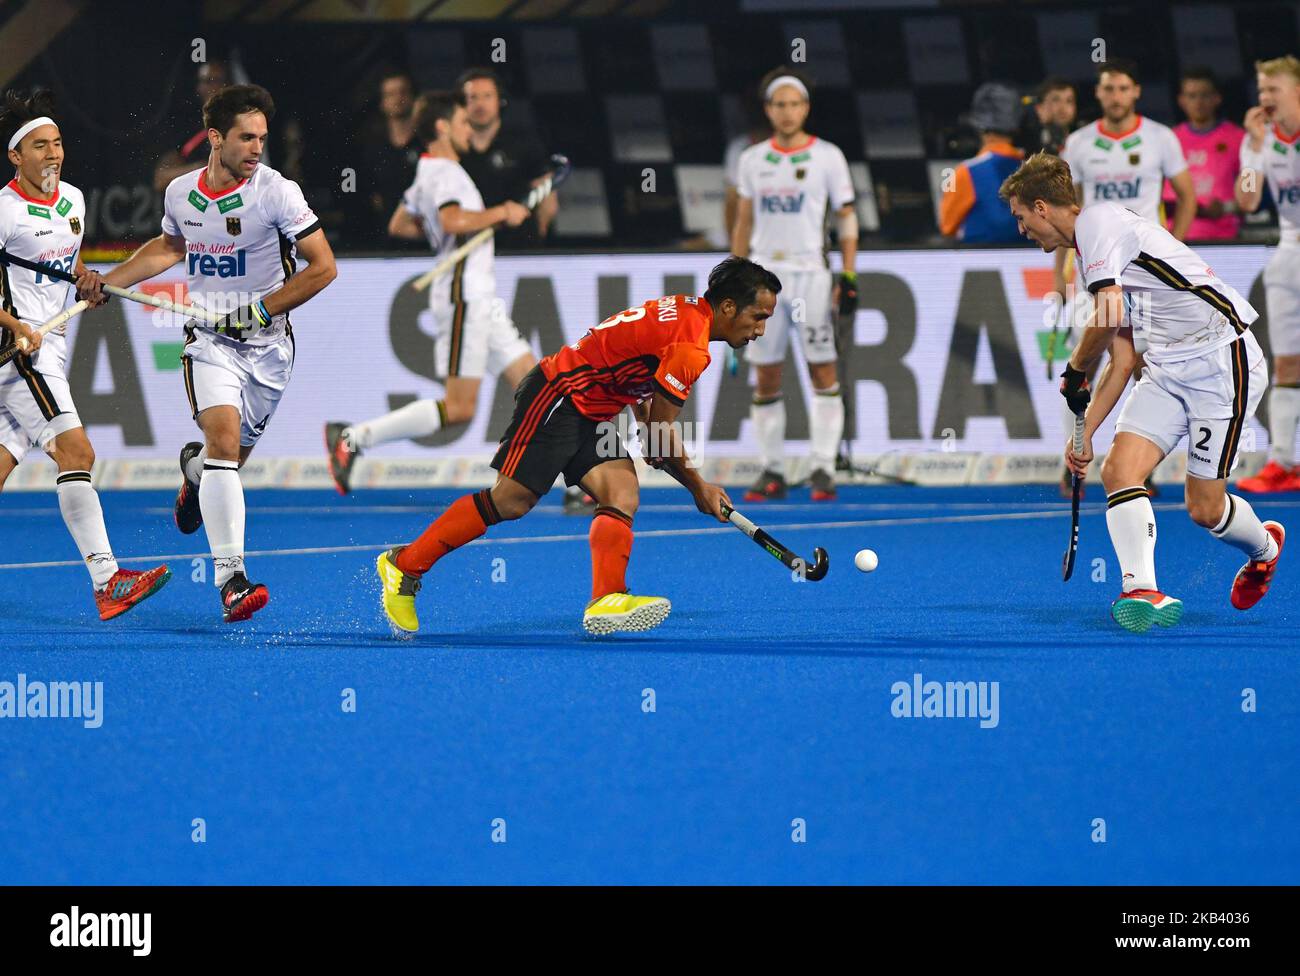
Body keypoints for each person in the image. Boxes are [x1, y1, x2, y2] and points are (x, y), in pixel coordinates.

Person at [375, 257, 779, 637]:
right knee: (510, 502)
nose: (760, 330)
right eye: (758, 317)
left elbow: (635, 359)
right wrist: (698, 487)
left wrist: (645, 419)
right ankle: (404, 566)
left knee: (621, 492)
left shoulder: (686, 309)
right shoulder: (691, 348)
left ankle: (606, 599)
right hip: (559, 396)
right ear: (728, 307)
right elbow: (659, 432)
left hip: (592, 409)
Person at [1002, 152, 1282, 633]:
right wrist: (1084, 434)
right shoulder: (1093, 254)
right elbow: (1125, 358)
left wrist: (1074, 367)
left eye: (1022, 216)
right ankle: (1142, 591)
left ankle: (1264, 550)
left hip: (1222, 358)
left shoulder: (1099, 225)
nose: (1022, 229)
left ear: (1043, 207)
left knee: (1205, 509)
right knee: (1119, 469)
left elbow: (1107, 316)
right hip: (1167, 366)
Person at [103, 84, 337, 623]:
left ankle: (194, 474)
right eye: (245, 138)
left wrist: (259, 311)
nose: (257, 148)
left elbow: (323, 268)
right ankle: (231, 579)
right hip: (209, 343)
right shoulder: (181, 192)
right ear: (215, 138)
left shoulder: (277, 192)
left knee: (225, 464)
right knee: (225, 446)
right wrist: (109, 282)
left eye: (262, 137)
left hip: (270, 349)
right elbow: (169, 247)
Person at [0, 89, 171, 619]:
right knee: (77, 454)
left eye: (57, 144)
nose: (52, 154)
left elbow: (64, 271)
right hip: (21, 354)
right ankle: (107, 580)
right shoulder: (3, 212)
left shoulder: (73, 200)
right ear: (15, 156)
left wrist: (89, 281)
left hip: (51, 343)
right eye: (39, 146)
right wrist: (13, 324)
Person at [324, 91, 533, 493]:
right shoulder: (445, 174)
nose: (468, 128)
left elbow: (400, 224)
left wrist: (440, 232)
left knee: (537, 383)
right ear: (442, 126)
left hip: (479, 299)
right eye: (462, 122)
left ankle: (577, 481)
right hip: (463, 297)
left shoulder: (429, 170)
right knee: (459, 408)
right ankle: (352, 437)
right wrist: (501, 213)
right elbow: (452, 219)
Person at [1053, 58, 1197, 498]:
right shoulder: (1078, 143)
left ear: (1135, 92)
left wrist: (1170, 253)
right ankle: (1074, 458)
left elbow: (1187, 197)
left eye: (1122, 88)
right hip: (1095, 269)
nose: (1115, 96)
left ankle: (1138, 463)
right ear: (1098, 95)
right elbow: (1063, 213)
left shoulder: (1160, 138)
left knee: (1141, 369)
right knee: (1085, 363)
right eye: (1107, 89)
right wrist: (1059, 271)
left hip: (1145, 274)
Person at [731, 68, 857, 502]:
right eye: (778, 104)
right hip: (763, 280)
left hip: (811, 276)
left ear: (806, 108)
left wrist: (849, 273)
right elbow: (744, 221)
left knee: (822, 369)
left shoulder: (828, 156)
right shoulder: (751, 160)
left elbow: (846, 218)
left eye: (795, 104)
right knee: (766, 375)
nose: (787, 112)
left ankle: (823, 467)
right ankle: (773, 470)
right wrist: (734, 275)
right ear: (768, 110)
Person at [1235, 56, 1300, 493]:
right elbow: (1247, 200)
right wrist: (1255, 147)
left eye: (1273, 89)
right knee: (1287, 364)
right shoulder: (1259, 140)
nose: (1264, 99)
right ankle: (1284, 463)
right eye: (1261, 90)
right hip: (1289, 250)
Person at [456, 68, 556, 248]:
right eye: (473, 97)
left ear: (499, 100)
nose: (480, 105)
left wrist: (539, 231)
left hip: (519, 245)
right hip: (468, 247)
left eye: (487, 96)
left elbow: (546, 194)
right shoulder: (452, 146)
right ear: (461, 104)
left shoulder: (523, 141)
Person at [1163, 67, 1244, 242]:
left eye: (1205, 95)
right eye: (1192, 96)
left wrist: (1227, 207)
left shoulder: (1238, 138)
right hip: (1173, 239)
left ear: (1217, 98)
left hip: (1222, 238)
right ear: (1181, 100)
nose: (1198, 102)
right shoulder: (1168, 138)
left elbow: (1252, 188)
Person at [939, 83, 1024, 243]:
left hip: (980, 263)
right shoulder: (1035, 168)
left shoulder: (963, 172)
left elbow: (947, 226)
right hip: (1034, 263)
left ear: (978, 124)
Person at [357, 69, 421, 248]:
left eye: (403, 92)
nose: (397, 99)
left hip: (425, 242)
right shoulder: (372, 149)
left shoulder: (427, 144)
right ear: (382, 103)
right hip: (385, 243)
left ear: (414, 97)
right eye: (390, 94)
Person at [153, 60, 230, 192]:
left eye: (216, 80)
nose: (211, 87)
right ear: (199, 87)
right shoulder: (192, 131)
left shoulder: (240, 125)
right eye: (206, 81)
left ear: (227, 85)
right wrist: (199, 169)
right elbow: (160, 179)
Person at [1022, 77, 1077, 156]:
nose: (1063, 107)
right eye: (1055, 100)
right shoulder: (1026, 145)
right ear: (1040, 109)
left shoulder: (1084, 142)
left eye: (1069, 101)